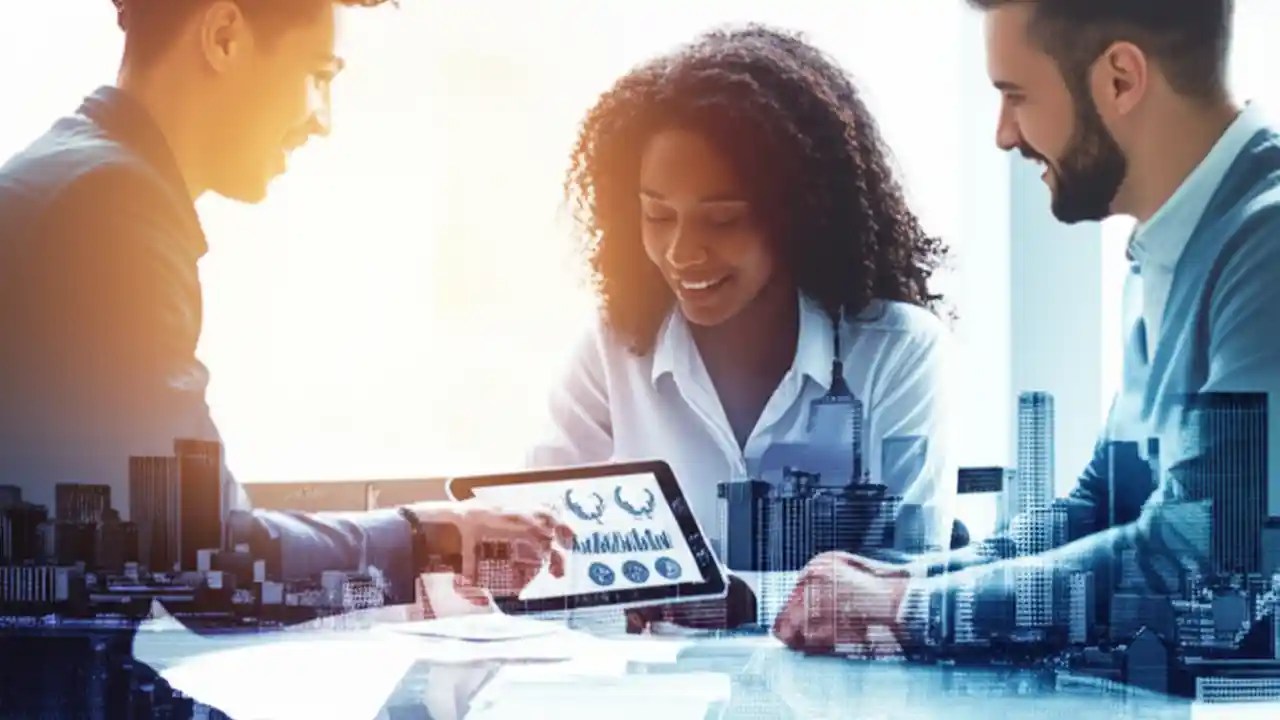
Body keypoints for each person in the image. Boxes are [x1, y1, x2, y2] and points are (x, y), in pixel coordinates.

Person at [0, 0, 570, 609]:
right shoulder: (107, 214)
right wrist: (434, 538)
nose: (321, 120)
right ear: (223, 36)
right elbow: (204, 560)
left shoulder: (71, 180)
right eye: (318, 76)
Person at [774, 0, 1280, 655]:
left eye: (1016, 95)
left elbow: (1203, 558)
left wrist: (909, 607)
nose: (1004, 134)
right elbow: (1106, 505)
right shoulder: (1177, 242)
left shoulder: (1266, 247)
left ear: (1121, 78)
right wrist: (905, 580)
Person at [531, 25, 956, 628]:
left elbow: (911, 574)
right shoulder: (615, 347)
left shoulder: (896, 352)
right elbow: (537, 537)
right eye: (657, 215)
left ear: (798, 214)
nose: (681, 252)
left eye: (722, 220)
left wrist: (739, 599)